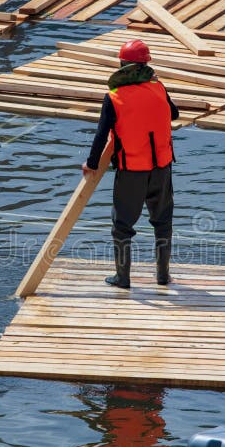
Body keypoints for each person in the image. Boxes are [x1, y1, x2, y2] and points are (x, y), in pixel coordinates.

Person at [82, 39, 179, 289]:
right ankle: (162, 276)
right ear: (146, 64)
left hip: (132, 171)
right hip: (162, 169)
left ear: (121, 65)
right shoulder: (159, 87)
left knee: (122, 226)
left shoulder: (114, 97)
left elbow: (102, 134)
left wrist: (91, 163)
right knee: (163, 222)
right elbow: (174, 113)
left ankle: (123, 278)